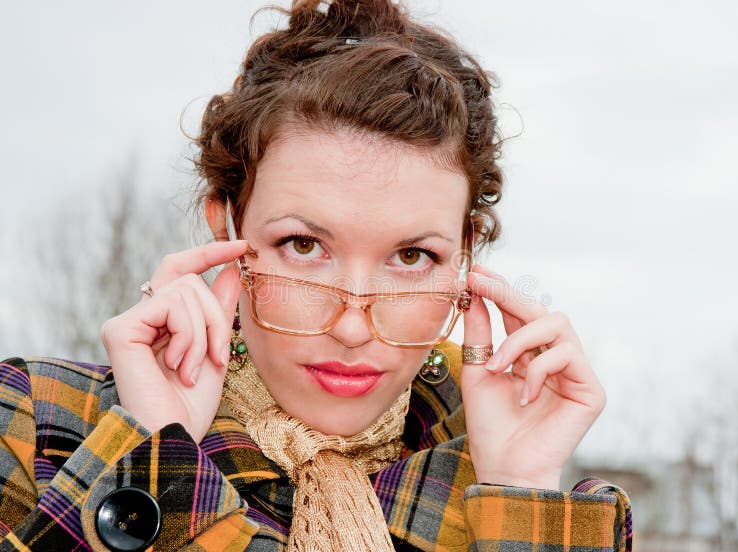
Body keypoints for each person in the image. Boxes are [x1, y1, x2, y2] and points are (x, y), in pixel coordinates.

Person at [0, 1, 632, 550]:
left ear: (464, 256)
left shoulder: (509, 485)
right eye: (304, 245)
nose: (353, 328)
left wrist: (519, 491)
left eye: (412, 256)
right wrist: (151, 461)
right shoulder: (39, 429)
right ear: (226, 224)